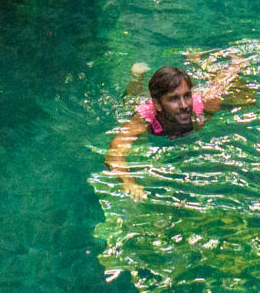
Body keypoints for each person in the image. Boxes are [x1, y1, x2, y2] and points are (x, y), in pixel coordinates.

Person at [105, 55, 251, 199]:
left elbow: (221, 84)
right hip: (148, 112)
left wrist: (236, 65)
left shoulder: (203, 105)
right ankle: (136, 79)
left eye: (187, 96)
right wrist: (129, 183)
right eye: (174, 99)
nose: (184, 105)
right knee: (130, 103)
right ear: (157, 104)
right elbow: (114, 152)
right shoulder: (144, 118)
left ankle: (195, 59)